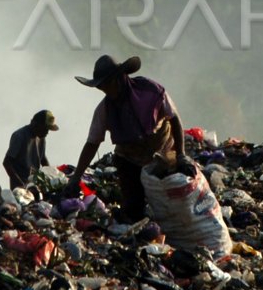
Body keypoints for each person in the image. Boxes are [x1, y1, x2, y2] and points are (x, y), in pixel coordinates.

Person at [64, 54, 187, 221]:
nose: (105, 90)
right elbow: (92, 143)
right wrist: (76, 177)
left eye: (107, 84)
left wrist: (181, 155)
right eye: (101, 87)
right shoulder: (105, 110)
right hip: (130, 160)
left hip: (162, 152)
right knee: (133, 211)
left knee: (172, 201)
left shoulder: (151, 91)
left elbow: (174, 119)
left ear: (120, 78)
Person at [3, 110, 58, 189]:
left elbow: (43, 160)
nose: (47, 132)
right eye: (45, 129)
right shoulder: (19, 136)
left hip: (35, 185)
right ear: (35, 124)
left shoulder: (41, 138)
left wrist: (54, 177)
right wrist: (20, 184)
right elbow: (7, 162)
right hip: (20, 188)